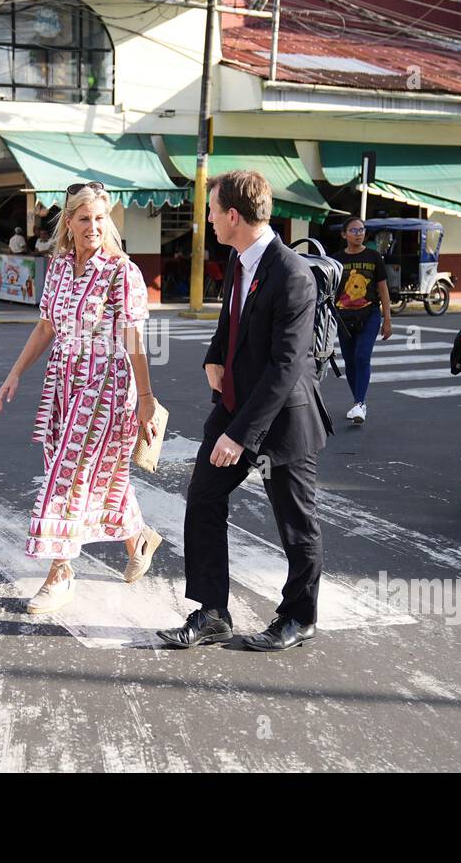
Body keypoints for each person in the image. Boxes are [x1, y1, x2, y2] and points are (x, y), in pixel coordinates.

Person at [157, 170, 334, 653]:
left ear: (234, 215)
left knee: (296, 522)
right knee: (204, 497)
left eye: (213, 210)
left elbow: (284, 367)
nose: (209, 219)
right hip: (235, 405)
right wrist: (214, 355)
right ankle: (213, 611)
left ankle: (300, 616)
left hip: (282, 419)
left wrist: (239, 437)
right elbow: (230, 316)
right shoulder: (238, 260)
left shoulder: (292, 274)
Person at [0, 183, 160, 614]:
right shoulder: (60, 268)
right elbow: (47, 326)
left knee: (66, 476)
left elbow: (133, 336)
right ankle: (138, 536)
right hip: (62, 382)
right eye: (84, 218)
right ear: (68, 222)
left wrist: (145, 397)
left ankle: (60, 573)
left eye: (101, 219)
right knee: (89, 472)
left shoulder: (121, 271)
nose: (93, 227)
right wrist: (14, 373)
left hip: (105, 385)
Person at [332, 217, 392, 424]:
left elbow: (383, 288)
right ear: (344, 234)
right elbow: (331, 291)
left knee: (362, 356)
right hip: (343, 316)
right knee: (349, 361)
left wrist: (387, 318)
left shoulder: (374, 256)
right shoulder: (336, 260)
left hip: (369, 314)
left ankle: (359, 403)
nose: (358, 233)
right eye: (353, 230)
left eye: (361, 230)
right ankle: (358, 402)